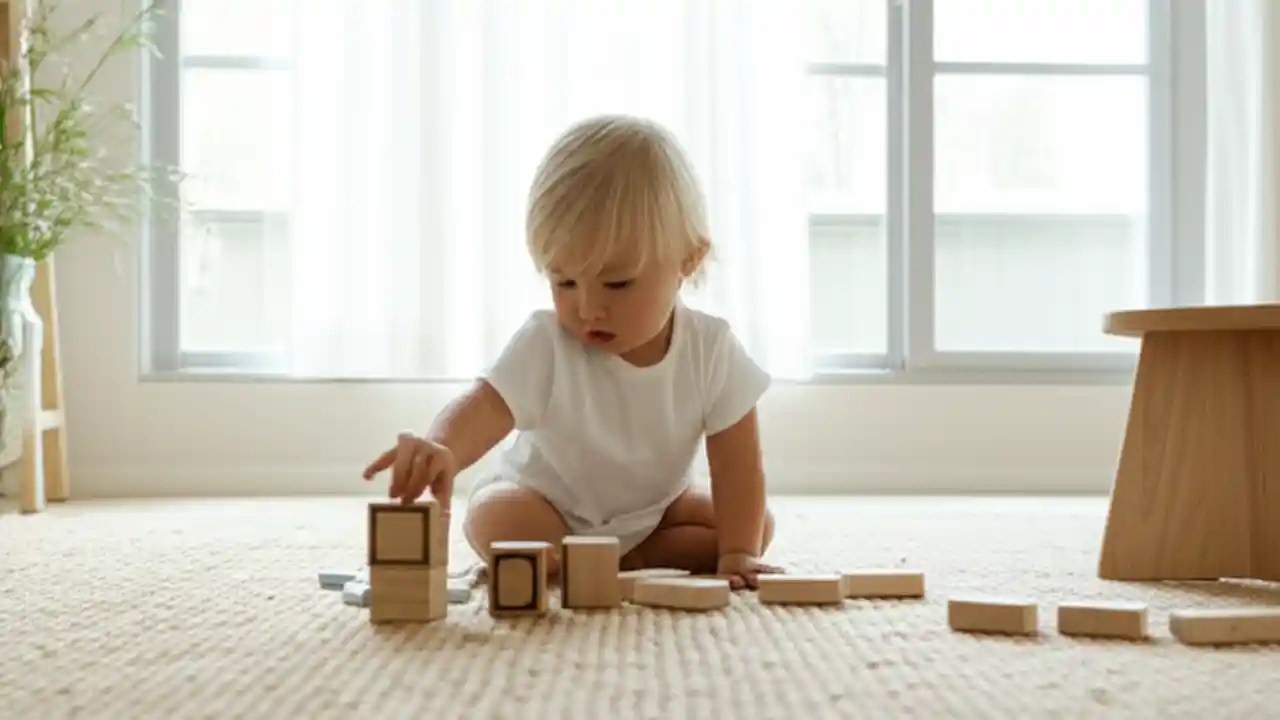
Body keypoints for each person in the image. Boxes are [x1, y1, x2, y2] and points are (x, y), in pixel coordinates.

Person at [364, 114, 779, 589]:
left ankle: (627, 557)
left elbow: (738, 465)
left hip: (655, 513)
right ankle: (605, 560)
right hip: (548, 506)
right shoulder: (547, 343)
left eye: (617, 283)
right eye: (563, 281)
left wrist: (740, 553)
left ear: (689, 260)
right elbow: (485, 408)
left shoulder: (711, 350)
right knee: (494, 515)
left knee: (754, 525)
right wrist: (442, 447)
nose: (587, 308)